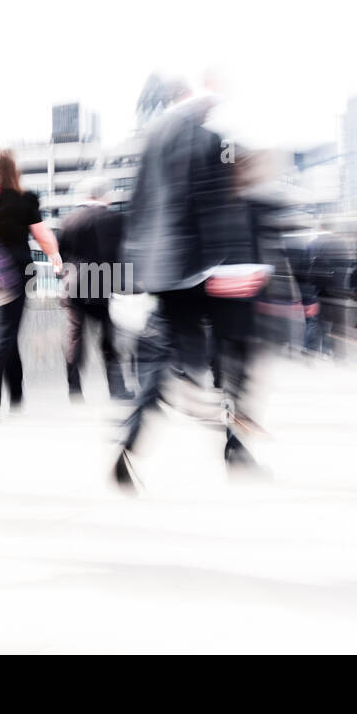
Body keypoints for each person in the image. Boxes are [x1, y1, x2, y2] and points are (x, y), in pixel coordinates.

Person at [111, 78, 264, 491]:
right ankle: (233, 444)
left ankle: (129, 442)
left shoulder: (154, 138)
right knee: (230, 355)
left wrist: (136, 268)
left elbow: (138, 207)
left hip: (163, 271)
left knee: (164, 358)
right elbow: (218, 206)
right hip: (204, 267)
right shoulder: (209, 140)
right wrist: (230, 264)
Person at [0, 148, 61, 418]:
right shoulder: (25, 199)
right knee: (7, 333)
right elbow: (42, 235)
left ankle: (15, 393)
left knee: (2, 333)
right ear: (15, 171)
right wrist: (55, 256)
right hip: (16, 270)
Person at [56, 177, 131, 401]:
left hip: (73, 285)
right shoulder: (117, 219)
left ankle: (74, 389)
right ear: (104, 196)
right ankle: (117, 390)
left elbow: (61, 257)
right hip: (106, 285)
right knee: (109, 338)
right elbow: (123, 255)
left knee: (75, 337)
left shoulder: (68, 220)